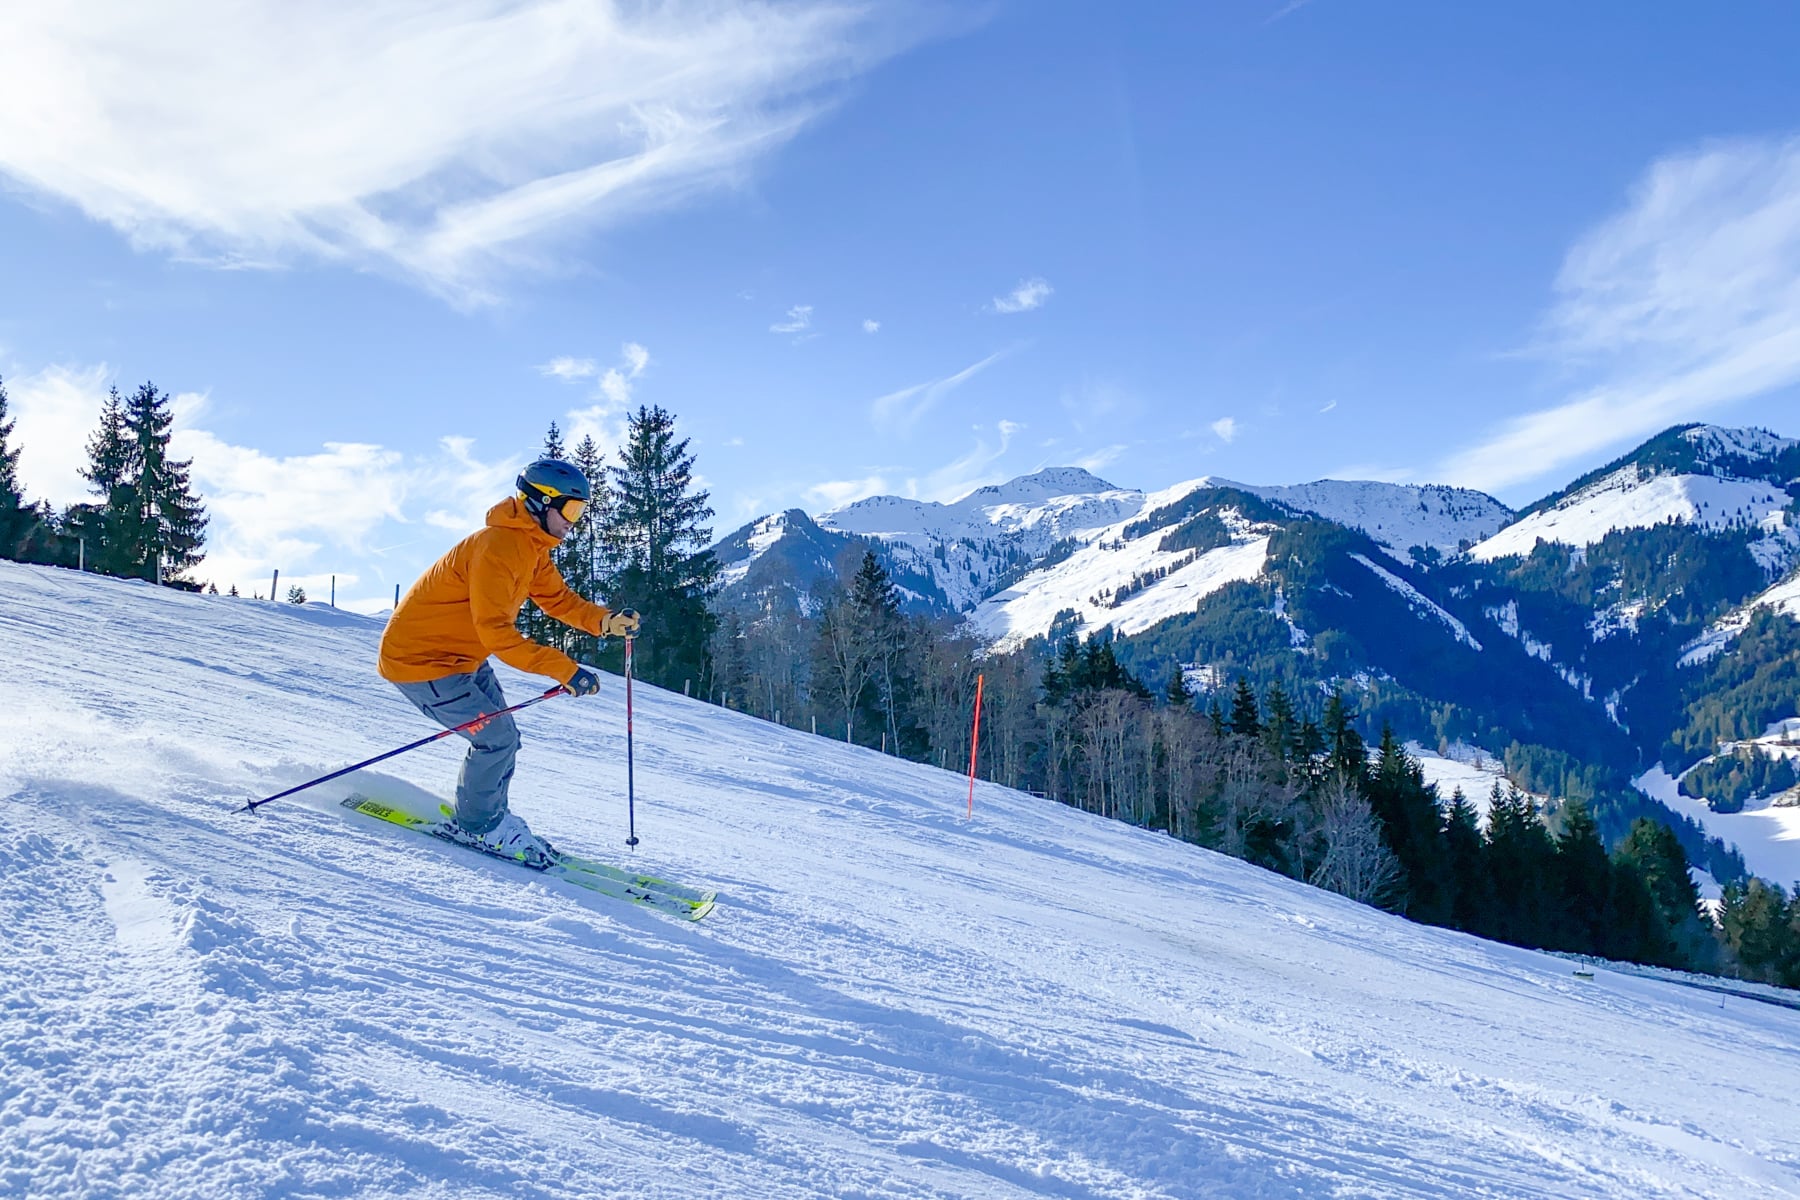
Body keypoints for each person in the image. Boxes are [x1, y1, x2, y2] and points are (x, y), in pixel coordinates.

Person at [377, 458, 639, 865]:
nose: (575, 521)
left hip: (461, 657)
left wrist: (605, 622)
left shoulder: (530, 547)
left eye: (581, 512)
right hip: (421, 661)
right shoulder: (499, 546)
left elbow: (557, 599)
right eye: (571, 510)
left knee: (505, 738)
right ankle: (478, 826)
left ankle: (486, 817)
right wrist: (563, 668)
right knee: (495, 738)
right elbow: (497, 634)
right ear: (540, 503)